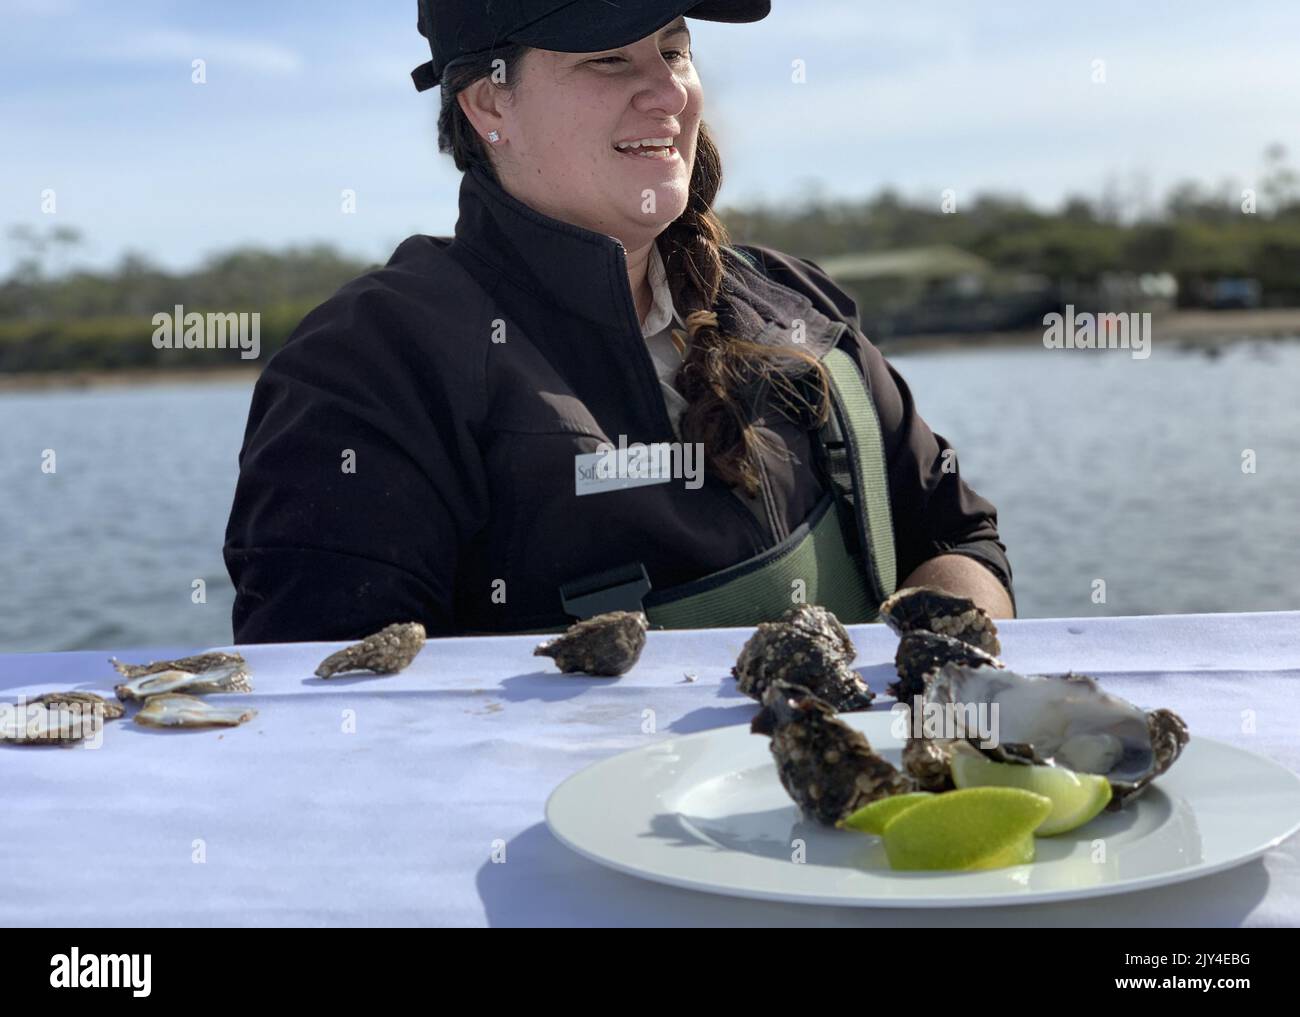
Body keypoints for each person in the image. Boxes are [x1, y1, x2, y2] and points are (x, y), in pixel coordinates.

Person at [223, 0, 1015, 642]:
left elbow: (962, 540)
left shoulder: (802, 310)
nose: (669, 94)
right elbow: (330, 722)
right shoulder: (369, 367)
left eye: (674, 49)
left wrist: (943, 653)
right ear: (488, 100)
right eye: (609, 58)